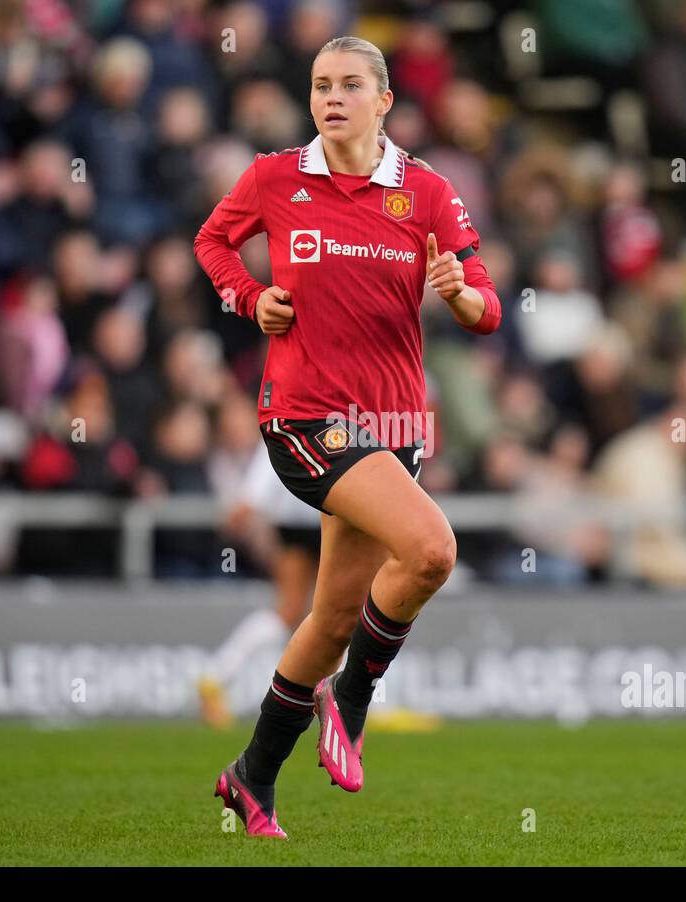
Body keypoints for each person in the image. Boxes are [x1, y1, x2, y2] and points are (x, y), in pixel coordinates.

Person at [193, 35, 502, 837]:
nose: (332, 97)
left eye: (350, 84)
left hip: (393, 427)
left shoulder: (427, 193)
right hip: (302, 417)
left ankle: (251, 776)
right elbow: (211, 242)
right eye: (321, 85)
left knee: (331, 620)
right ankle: (353, 699)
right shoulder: (275, 178)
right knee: (432, 550)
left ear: (385, 100)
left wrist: (459, 293)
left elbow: (487, 309)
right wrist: (246, 298)